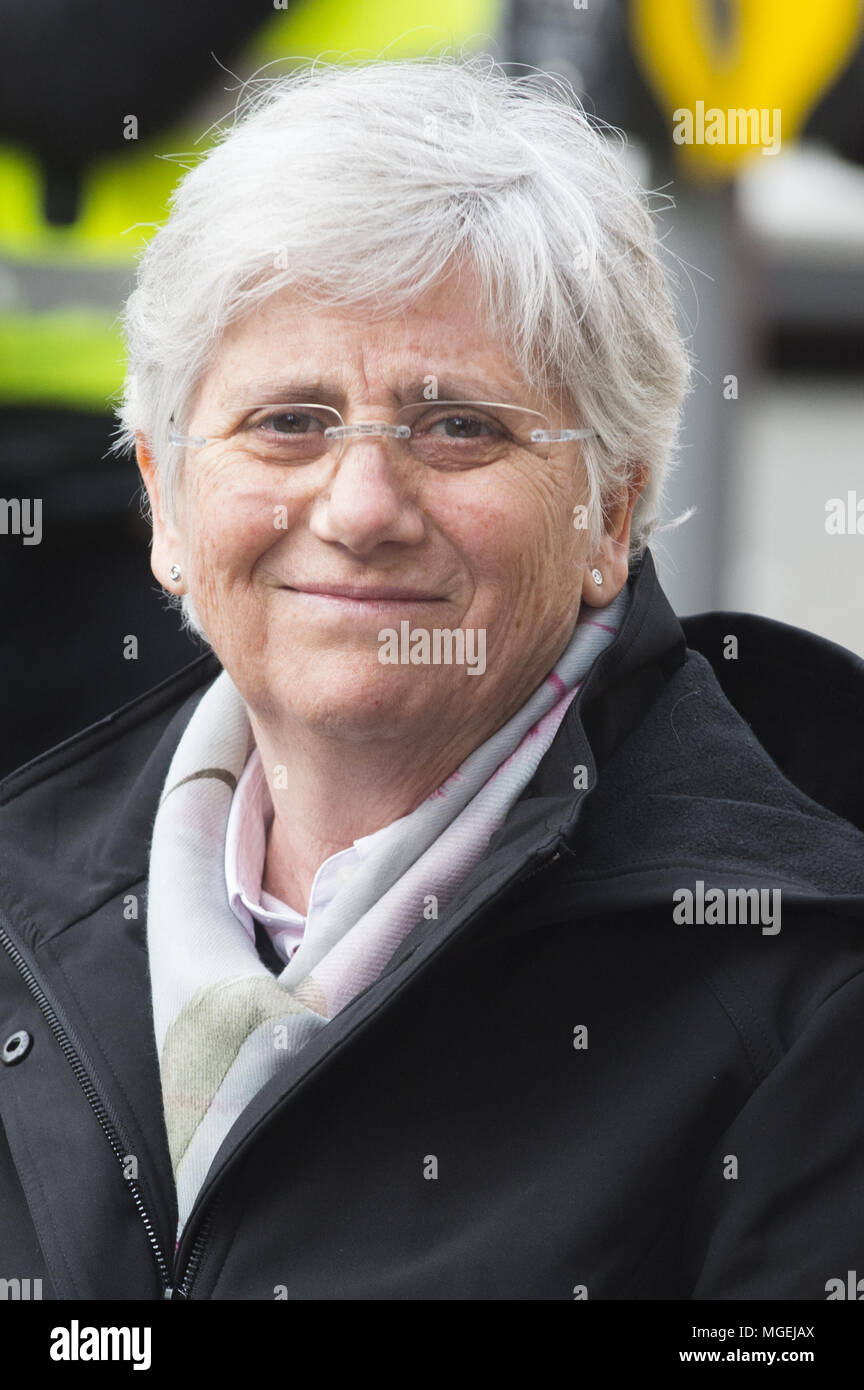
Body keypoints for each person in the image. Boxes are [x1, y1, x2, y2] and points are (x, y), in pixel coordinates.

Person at [1, 54, 863, 1302]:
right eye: (289, 420)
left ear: (611, 513)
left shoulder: (805, 1005)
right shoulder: (22, 910)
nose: (360, 507)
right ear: (164, 499)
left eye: (459, 426)